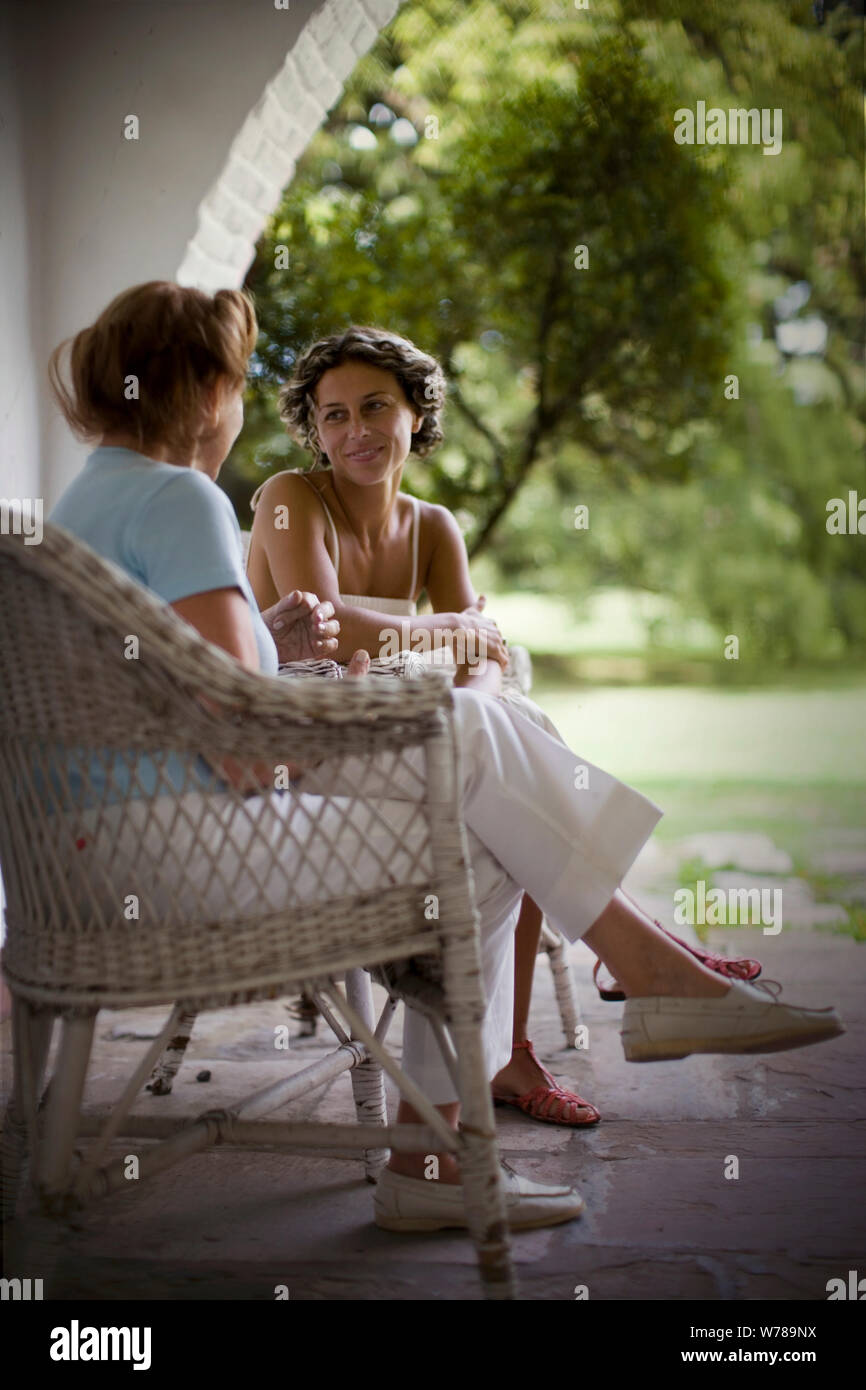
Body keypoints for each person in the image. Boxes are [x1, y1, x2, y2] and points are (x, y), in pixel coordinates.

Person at [48, 282, 843, 1235]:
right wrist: (378, 688)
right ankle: (636, 986)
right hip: (195, 855)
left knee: (477, 754)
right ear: (205, 388)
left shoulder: (86, 498)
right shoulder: (181, 497)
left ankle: (485, 1118)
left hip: (91, 857)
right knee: (475, 783)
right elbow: (244, 744)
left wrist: (273, 646)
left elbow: (174, 689)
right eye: (239, 384)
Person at [246, 325, 763, 1128]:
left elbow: (483, 661)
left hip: (409, 743)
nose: (354, 432)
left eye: (374, 407)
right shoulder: (289, 499)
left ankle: (528, 1043)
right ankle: (618, 963)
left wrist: (467, 660)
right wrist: (450, 634)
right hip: (315, 750)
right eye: (333, 416)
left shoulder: (434, 527)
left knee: (502, 742)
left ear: (417, 413)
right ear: (313, 430)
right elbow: (331, 633)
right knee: (504, 766)